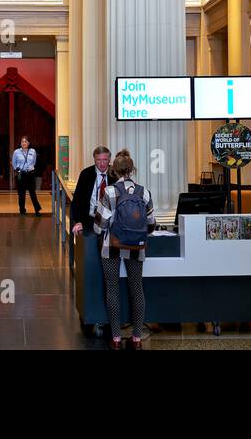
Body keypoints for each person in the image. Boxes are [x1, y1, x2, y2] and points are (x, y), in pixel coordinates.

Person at [96, 149, 155, 350]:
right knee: (136, 288)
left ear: (115, 170)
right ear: (132, 170)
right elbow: (151, 225)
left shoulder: (110, 192)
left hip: (111, 246)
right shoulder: (144, 192)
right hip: (136, 246)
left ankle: (115, 338)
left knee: (112, 289)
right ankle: (137, 338)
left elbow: (100, 225)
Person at [70, 146, 113, 237]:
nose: (102, 163)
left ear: (109, 159)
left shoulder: (115, 174)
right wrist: (78, 221)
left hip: (110, 221)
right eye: (98, 160)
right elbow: (77, 200)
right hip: (89, 220)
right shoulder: (86, 174)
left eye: (105, 160)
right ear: (94, 159)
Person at [11, 135, 41, 215]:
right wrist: (17, 169)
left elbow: (34, 162)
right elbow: (14, 163)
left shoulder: (32, 151)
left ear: (28, 143)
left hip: (30, 174)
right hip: (21, 174)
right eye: (22, 142)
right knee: (21, 193)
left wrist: (30, 168)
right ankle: (22, 210)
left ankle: (37, 210)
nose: (24, 143)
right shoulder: (16, 152)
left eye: (25, 141)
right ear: (20, 143)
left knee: (32, 193)